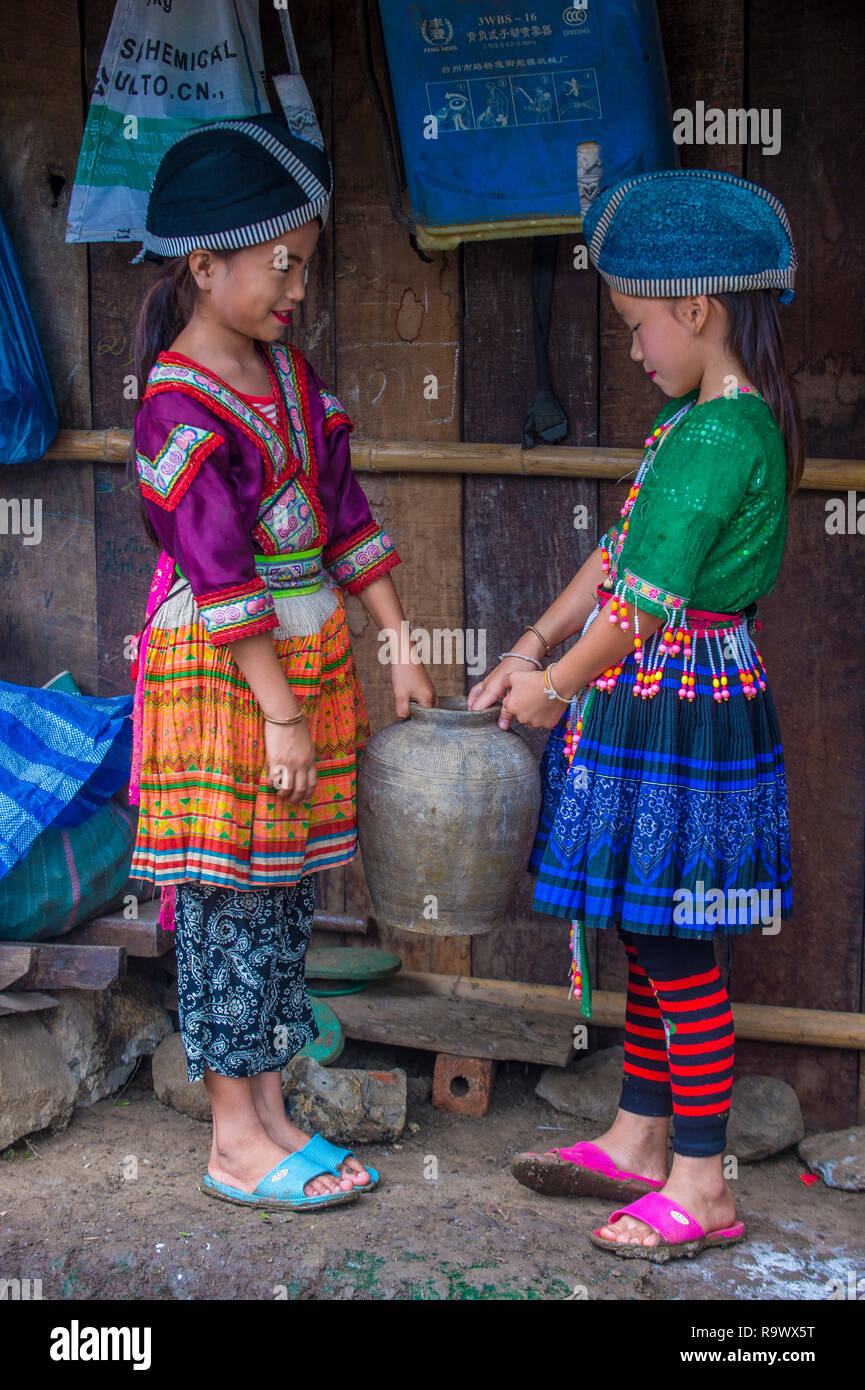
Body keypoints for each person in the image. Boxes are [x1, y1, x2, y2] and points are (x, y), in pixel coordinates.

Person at [468, 168, 801, 1261]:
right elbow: (615, 558)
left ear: (696, 310)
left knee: (678, 939)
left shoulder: (723, 438)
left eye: (637, 326)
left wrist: (555, 685)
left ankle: (701, 1182)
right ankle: (636, 1136)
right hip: (647, 705)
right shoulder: (685, 425)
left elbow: (647, 606)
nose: (633, 349)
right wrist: (529, 645)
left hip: (683, 711)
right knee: (646, 929)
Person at [126, 113, 437, 1213]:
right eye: (280, 265)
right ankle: (229, 1135)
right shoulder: (177, 407)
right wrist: (283, 716)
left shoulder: (291, 382)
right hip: (229, 681)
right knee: (221, 899)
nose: (294, 284)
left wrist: (398, 642)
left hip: (301, 672)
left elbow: (346, 520)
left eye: (300, 265)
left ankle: (269, 1115)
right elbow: (218, 574)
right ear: (205, 268)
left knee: (280, 900)